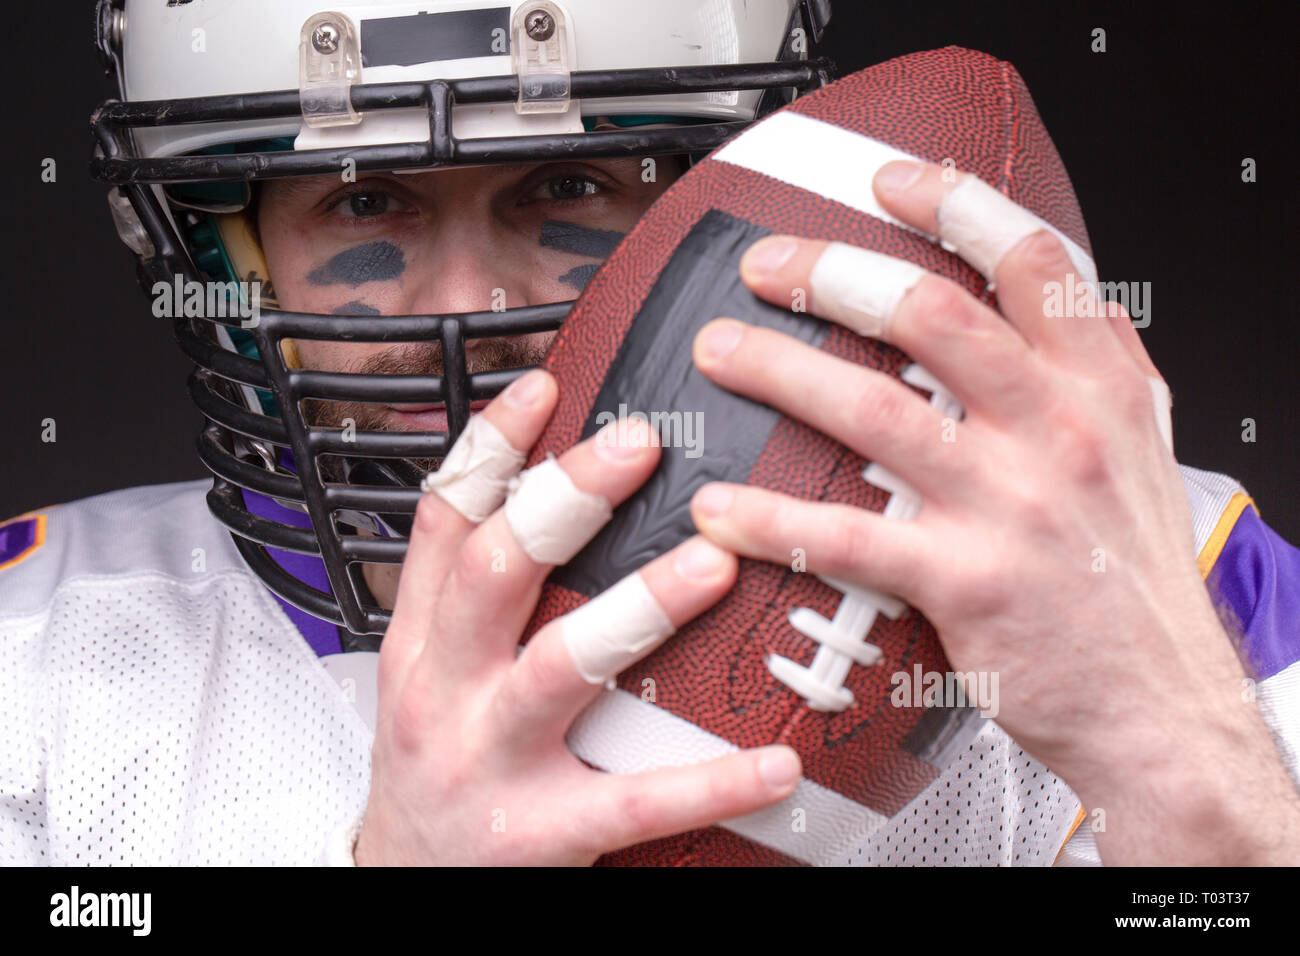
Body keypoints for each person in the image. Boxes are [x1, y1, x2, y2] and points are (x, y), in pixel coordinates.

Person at [1, 0, 1294, 866]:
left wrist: (1176, 758)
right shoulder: (39, 667)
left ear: (744, 192)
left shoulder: (1158, 576)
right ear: (227, 256)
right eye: (363, 197)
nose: (470, 308)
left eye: (568, 185)